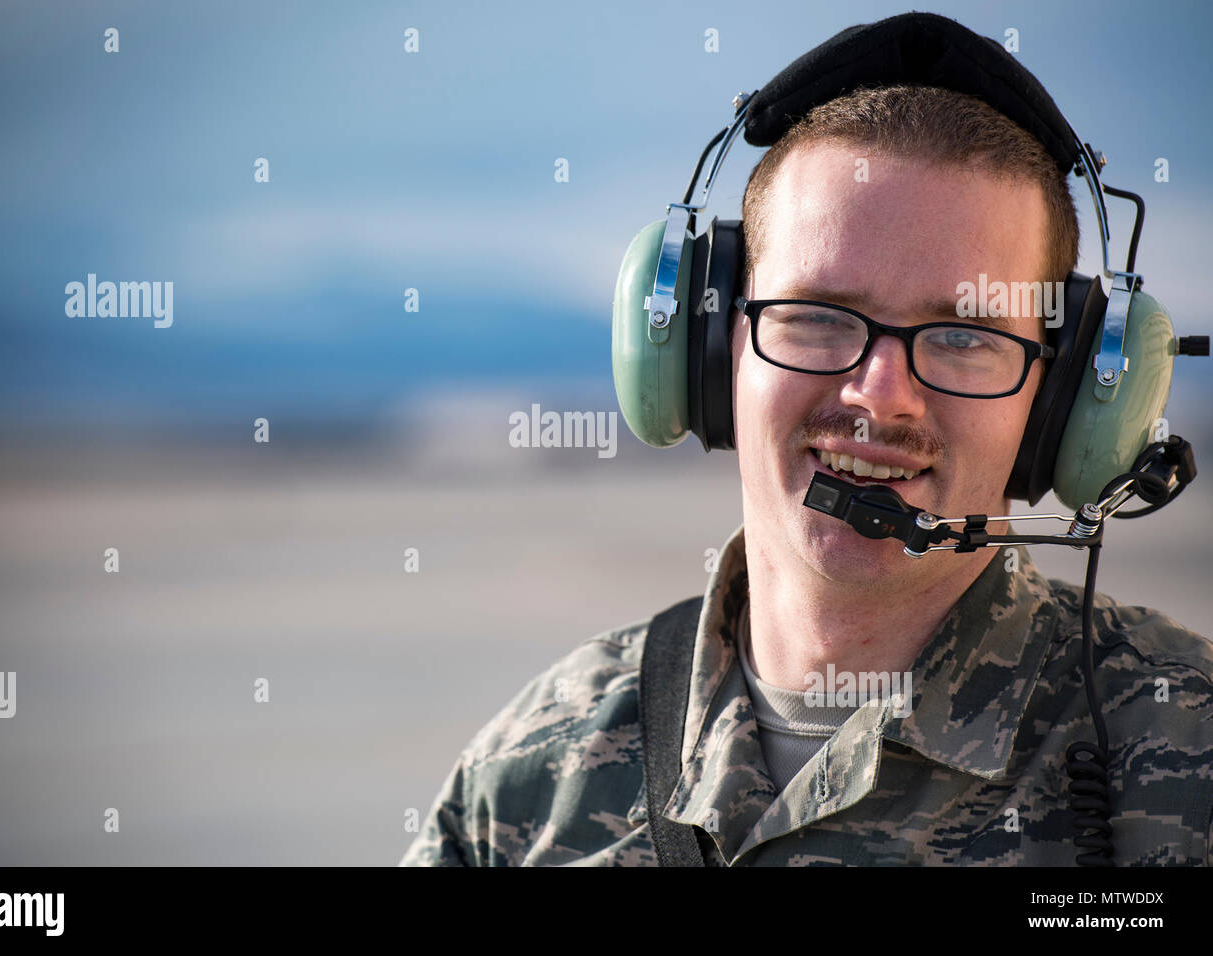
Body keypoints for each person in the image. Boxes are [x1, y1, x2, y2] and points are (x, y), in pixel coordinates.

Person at [398, 17, 1213, 867]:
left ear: (1063, 400)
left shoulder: (1185, 761)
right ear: (708, 356)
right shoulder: (527, 784)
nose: (880, 396)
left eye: (963, 335)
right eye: (820, 316)